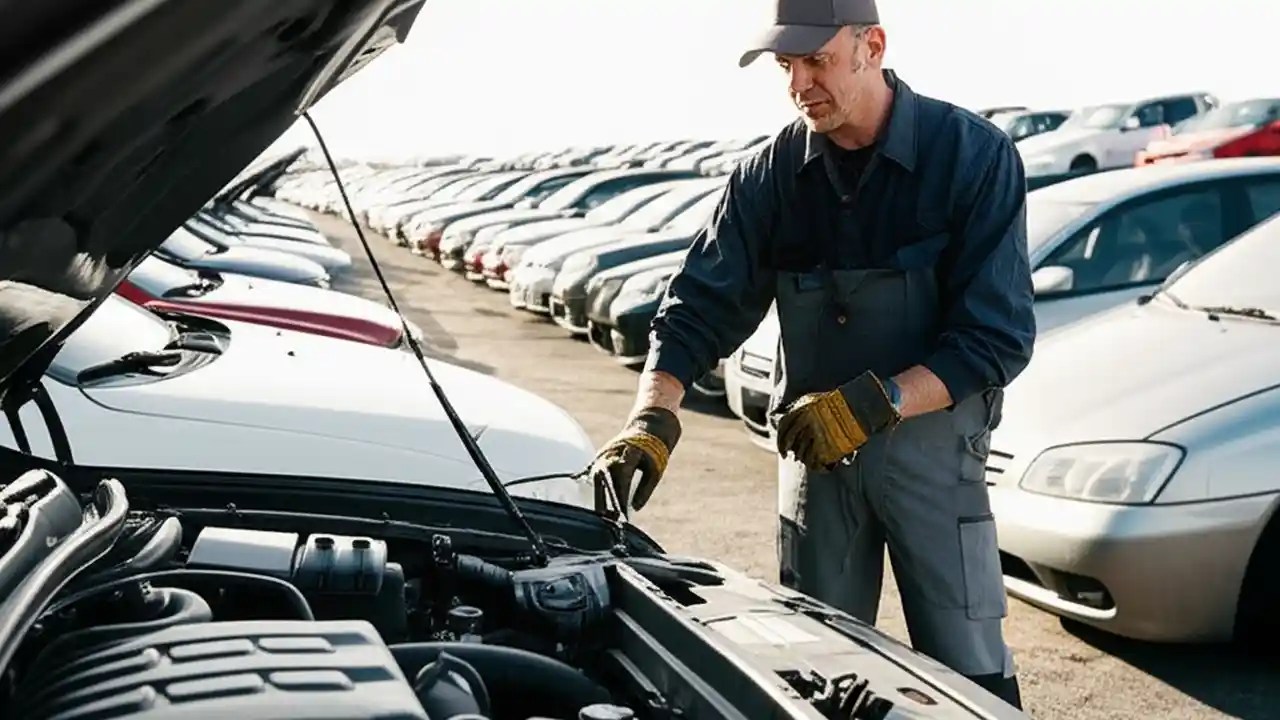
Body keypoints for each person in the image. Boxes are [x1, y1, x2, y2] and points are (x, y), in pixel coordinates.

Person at [587, 0, 1034, 709]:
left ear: (872, 46)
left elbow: (997, 335)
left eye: (816, 60)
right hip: (815, 454)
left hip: (933, 458)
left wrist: (876, 404)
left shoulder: (970, 155)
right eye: (785, 66)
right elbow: (699, 305)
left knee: (965, 665)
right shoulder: (768, 176)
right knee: (810, 663)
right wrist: (652, 416)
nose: (799, 84)